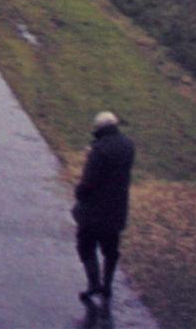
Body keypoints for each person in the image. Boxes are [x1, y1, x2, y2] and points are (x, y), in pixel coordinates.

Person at [74, 111, 135, 309]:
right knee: (111, 248)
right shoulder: (128, 145)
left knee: (86, 244)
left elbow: (89, 181)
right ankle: (107, 285)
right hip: (117, 207)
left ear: (99, 128)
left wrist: (79, 193)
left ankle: (94, 284)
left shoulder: (98, 150)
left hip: (94, 209)